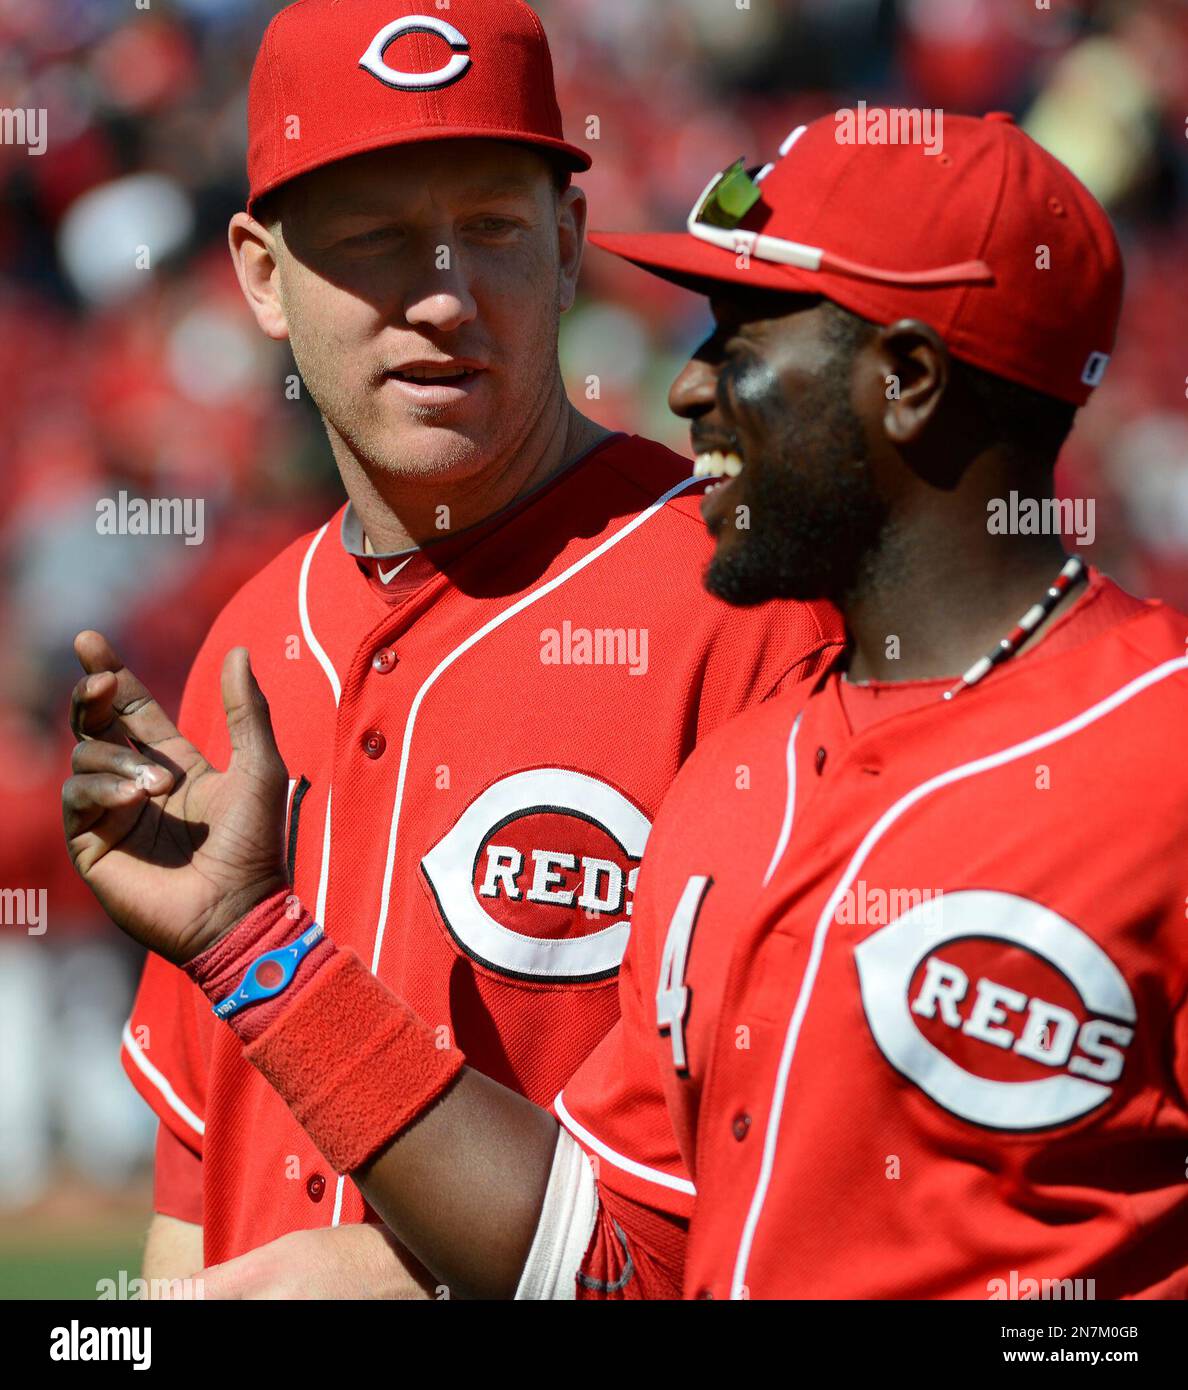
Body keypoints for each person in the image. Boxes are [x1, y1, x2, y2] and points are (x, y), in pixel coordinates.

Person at [68, 110, 1188, 1300]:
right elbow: (613, 1269)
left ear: (906, 379)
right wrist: (257, 952)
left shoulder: (1148, 756)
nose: (691, 385)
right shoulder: (750, 786)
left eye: (746, 337)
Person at [82, 0, 841, 1295]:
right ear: (263, 275)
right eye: (375, 242)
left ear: (567, 240)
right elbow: (191, 1192)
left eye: (489, 229)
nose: (441, 296)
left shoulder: (758, 609)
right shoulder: (251, 638)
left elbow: (814, 1195)